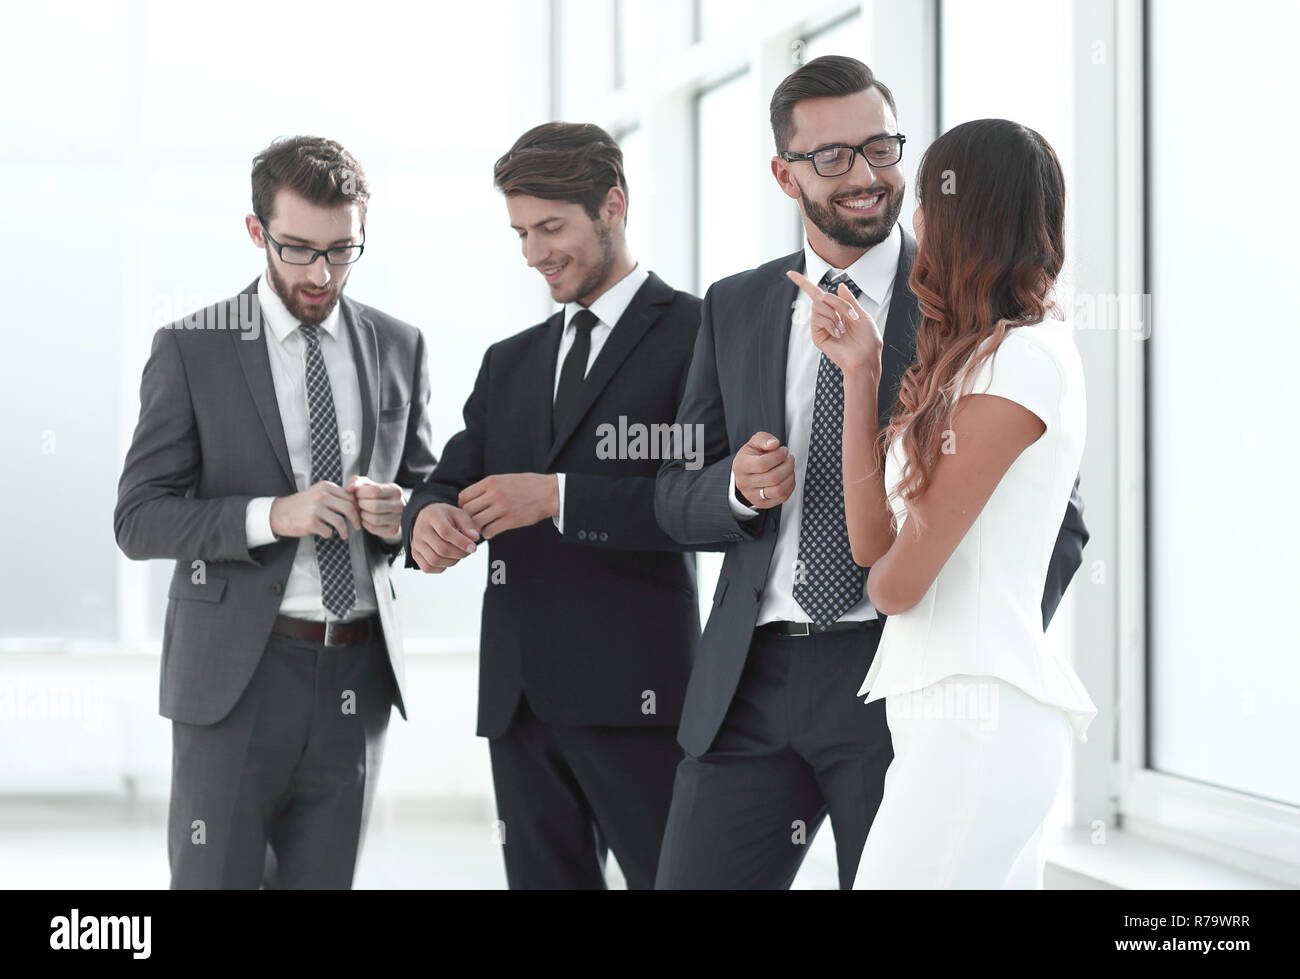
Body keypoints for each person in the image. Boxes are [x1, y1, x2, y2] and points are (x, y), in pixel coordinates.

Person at [654, 56, 1088, 889]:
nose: (867, 175)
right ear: (785, 174)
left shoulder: (969, 314)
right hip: (751, 677)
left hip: (901, 679)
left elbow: (1055, 523)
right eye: (833, 157)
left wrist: (963, 647)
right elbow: (673, 495)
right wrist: (736, 488)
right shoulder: (736, 304)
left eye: (882, 148)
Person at [114, 136, 437, 888]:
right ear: (257, 231)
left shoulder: (399, 345)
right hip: (237, 677)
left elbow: (427, 491)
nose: (321, 274)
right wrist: (271, 516)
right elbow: (138, 518)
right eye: (298, 249)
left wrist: (406, 516)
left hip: (357, 675)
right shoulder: (191, 349)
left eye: (342, 250)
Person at [401, 122, 705, 889]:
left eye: (551, 228)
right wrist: (426, 519)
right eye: (521, 233)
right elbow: (448, 477)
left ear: (613, 205)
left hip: (640, 698)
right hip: (521, 701)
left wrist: (561, 497)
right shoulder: (510, 362)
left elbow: (702, 497)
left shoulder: (700, 333)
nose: (535, 253)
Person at [796, 117, 1096, 889]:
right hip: (948, 715)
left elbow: (896, 584)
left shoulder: (1024, 361)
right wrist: (860, 373)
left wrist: (894, 562)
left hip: (982, 715)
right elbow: (872, 551)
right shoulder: (979, 360)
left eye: (929, 197)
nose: (917, 217)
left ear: (965, 213)